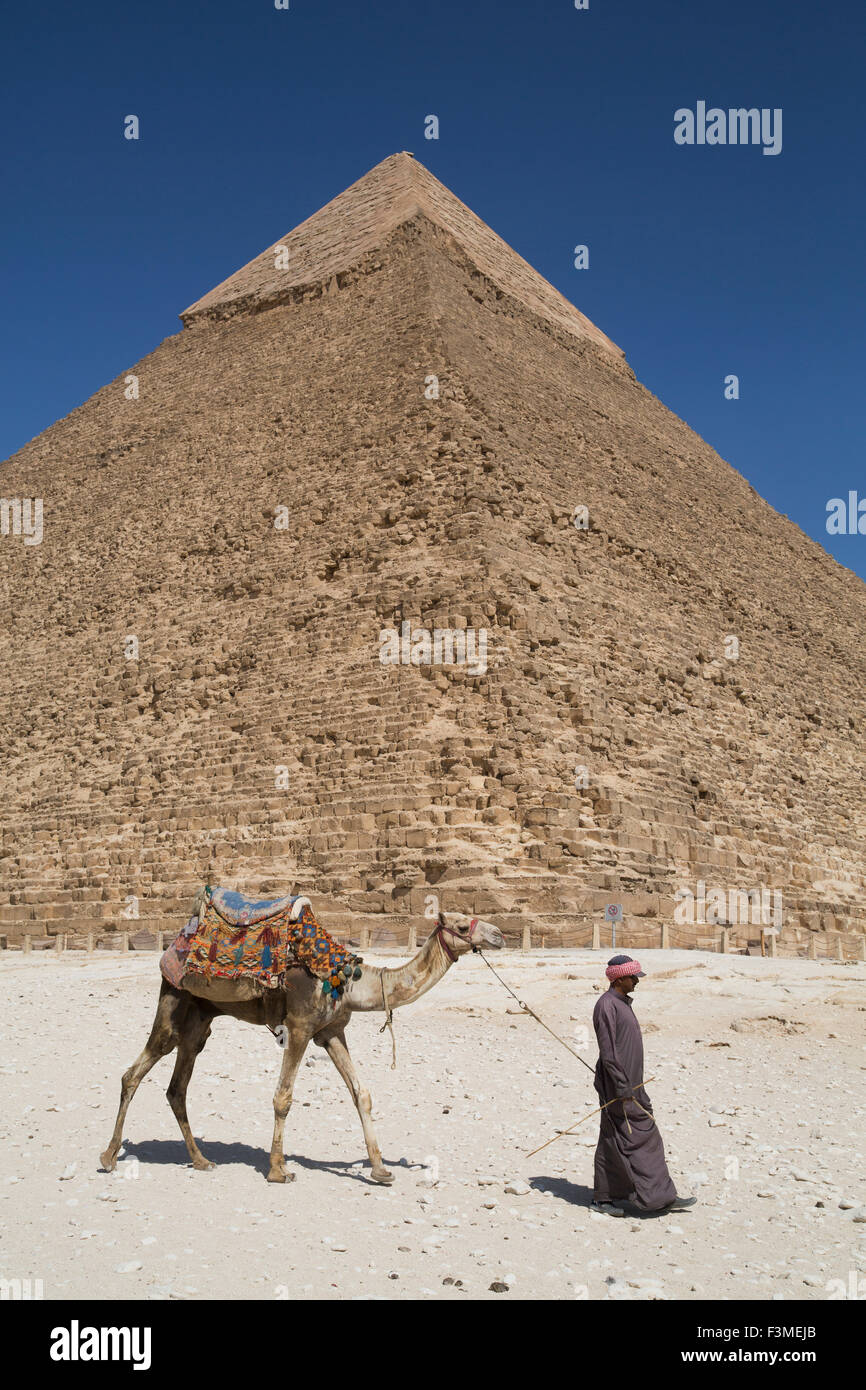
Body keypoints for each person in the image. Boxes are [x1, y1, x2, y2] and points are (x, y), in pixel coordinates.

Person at [590, 954, 696, 1217]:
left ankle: (605, 1198)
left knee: (613, 1137)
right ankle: (658, 1197)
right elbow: (609, 1051)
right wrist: (622, 1086)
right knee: (644, 1137)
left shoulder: (622, 1003)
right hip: (620, 1087)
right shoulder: (606, 1006)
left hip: (631, 1084)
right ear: (620, 979)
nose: (637, 981)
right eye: (633, 977)